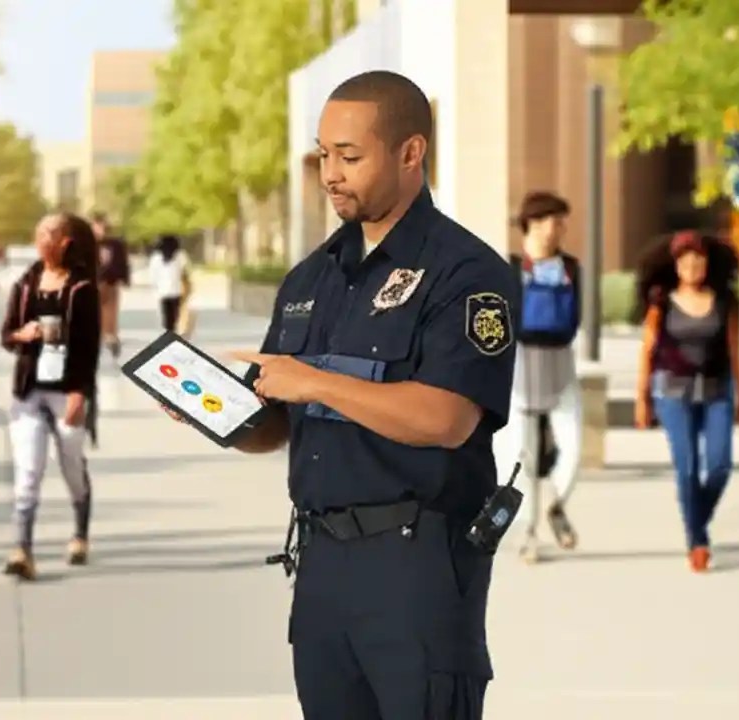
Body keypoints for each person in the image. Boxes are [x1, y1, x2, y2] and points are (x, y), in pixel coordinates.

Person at [218, 71, 518, 718]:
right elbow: (279, 424)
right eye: (324, 154)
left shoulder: (467, 274)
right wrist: (215, 410)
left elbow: (447, 418)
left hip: (417, 567)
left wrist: (317, 380)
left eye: (349, 157)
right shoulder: (310, 278)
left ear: (411, 153)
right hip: (322, 566)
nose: (330, 173)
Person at [634, 230, 739, 573]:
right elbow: (648, 351)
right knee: (686, 468)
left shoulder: (725, 301)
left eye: (698, 258)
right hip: (672, 393)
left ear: (707, 263)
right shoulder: (661, 302)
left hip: (717, 392)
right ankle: (697, 539)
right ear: (676, 265)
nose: (693, 264)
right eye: (685, 259)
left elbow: (734, 351)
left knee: (719, 465)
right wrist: (642, 399)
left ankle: (697, 518)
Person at [0, 212, 101, 580]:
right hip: (29, 391)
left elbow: (90, 349)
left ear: (65, 242)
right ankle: (21, 548)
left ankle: (80, 533)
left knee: (72, 466)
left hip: (66, 392)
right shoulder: (25, 284)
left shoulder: (82, 289)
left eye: (49, 232)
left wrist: (80, 393)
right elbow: (5, 335)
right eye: (38, 230)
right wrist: (21, 335)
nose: (41, 238)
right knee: (28, 468)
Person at [492, 191, 582, 563]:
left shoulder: (571, 267)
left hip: (561, 362)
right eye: (551, 221)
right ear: (531, 223)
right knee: (519, 456)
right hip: (520, 365)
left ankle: (555, 505)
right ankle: (528, 533)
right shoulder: (509, 268)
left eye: (561, 222)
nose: (557, 229)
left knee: (573, 448)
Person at [92, 212, 130, 360]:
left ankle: (111, 338)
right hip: (93, 283)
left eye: (103, 226)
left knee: (110, 312)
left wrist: (124, 278)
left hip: (111, 281)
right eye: (98, 226)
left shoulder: (116, 244)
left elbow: (122, 262)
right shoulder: (87, 243)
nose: (101, 230)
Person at [149, 234, 190, 333]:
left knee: (166, 315)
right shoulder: (180, 255)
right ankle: (172, 330)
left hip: (162, 291)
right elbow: (184, 272)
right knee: (175, 314)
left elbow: (153, 275)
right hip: (176, 290)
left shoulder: (156, 257)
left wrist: (155, 286)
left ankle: (168, 331)